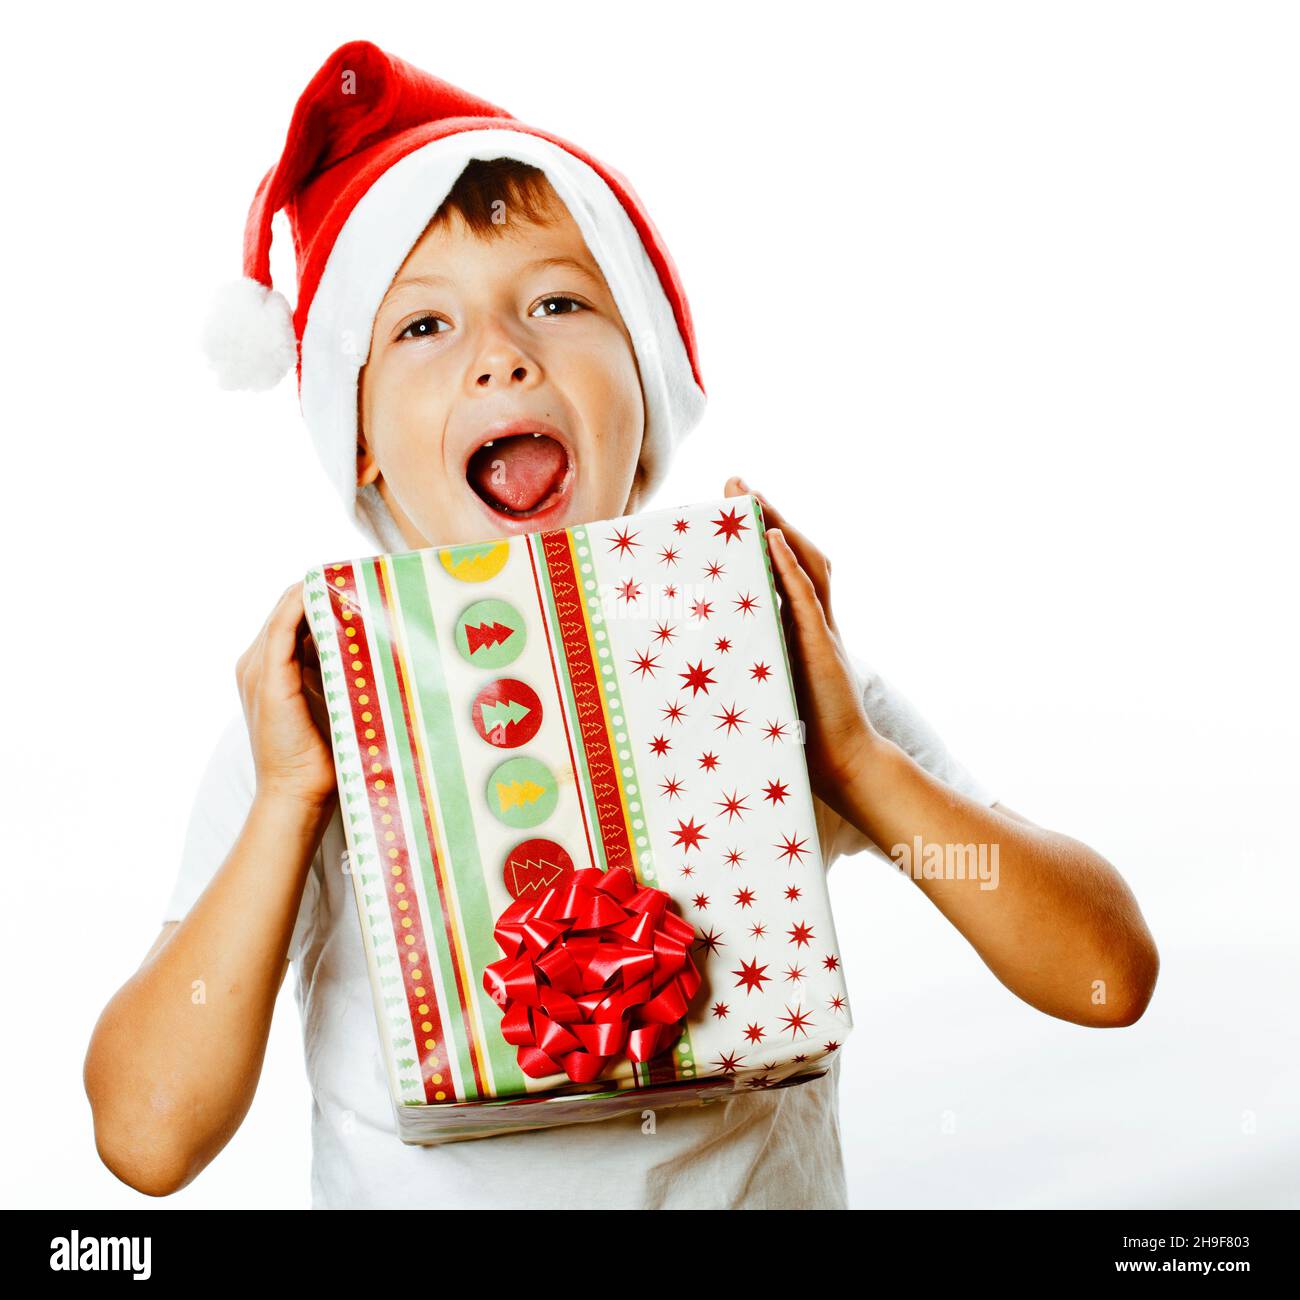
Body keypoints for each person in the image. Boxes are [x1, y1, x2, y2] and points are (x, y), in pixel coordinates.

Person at [83, 40, 1159, 1209]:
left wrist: (851, 755)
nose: (500, 356)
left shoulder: (756, 648)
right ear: (363, 450)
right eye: (421, 328)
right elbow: (147, 1137)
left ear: (646, 391)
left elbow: (1104, 978)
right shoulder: (313, 710)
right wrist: (292, 799)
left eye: (556, 301)